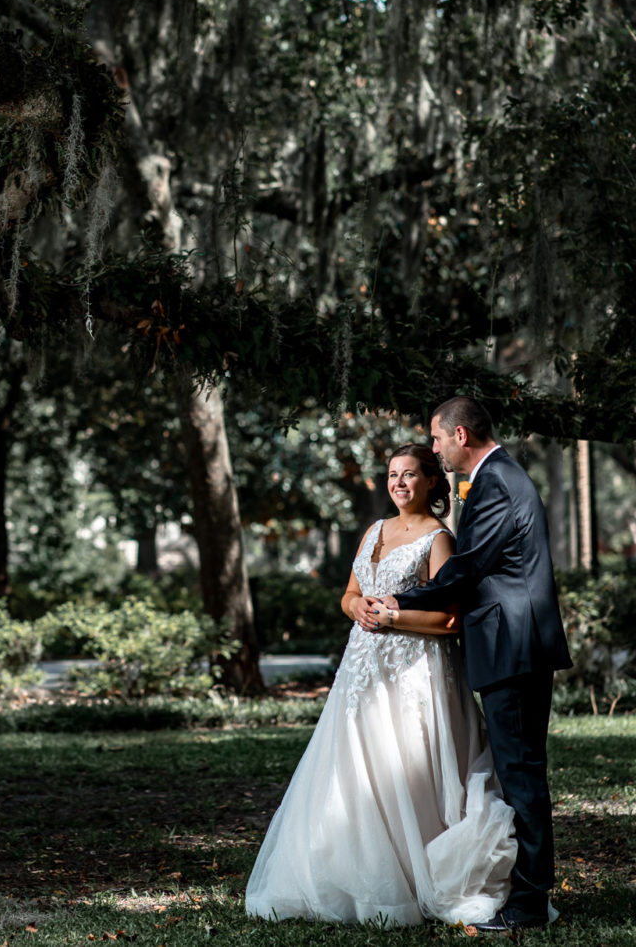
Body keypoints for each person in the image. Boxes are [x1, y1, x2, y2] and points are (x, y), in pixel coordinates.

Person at [245, 444, 520, 927]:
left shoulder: (438, 538)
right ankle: (356, 874)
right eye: (393, 475)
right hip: (362, 668)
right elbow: (350, 594)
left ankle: (417, 879)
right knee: (357, 766)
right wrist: (358, 610)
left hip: (415, 669)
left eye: (410, 475)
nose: (399, 483)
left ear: (431, 481)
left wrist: (393, 617)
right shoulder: (374, 530)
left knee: (406, 763)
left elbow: (450, 618)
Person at [380, 396, 572, 933]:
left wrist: (403, 600)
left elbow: (469, 566)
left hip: (512, 646)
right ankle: (526, 894)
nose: (435, 449)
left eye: (437, 440)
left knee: (521, 774)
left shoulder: (496, 483)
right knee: (521, 770)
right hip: (517, 644)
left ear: (460, 435)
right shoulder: (500, 478)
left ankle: (529, 905)